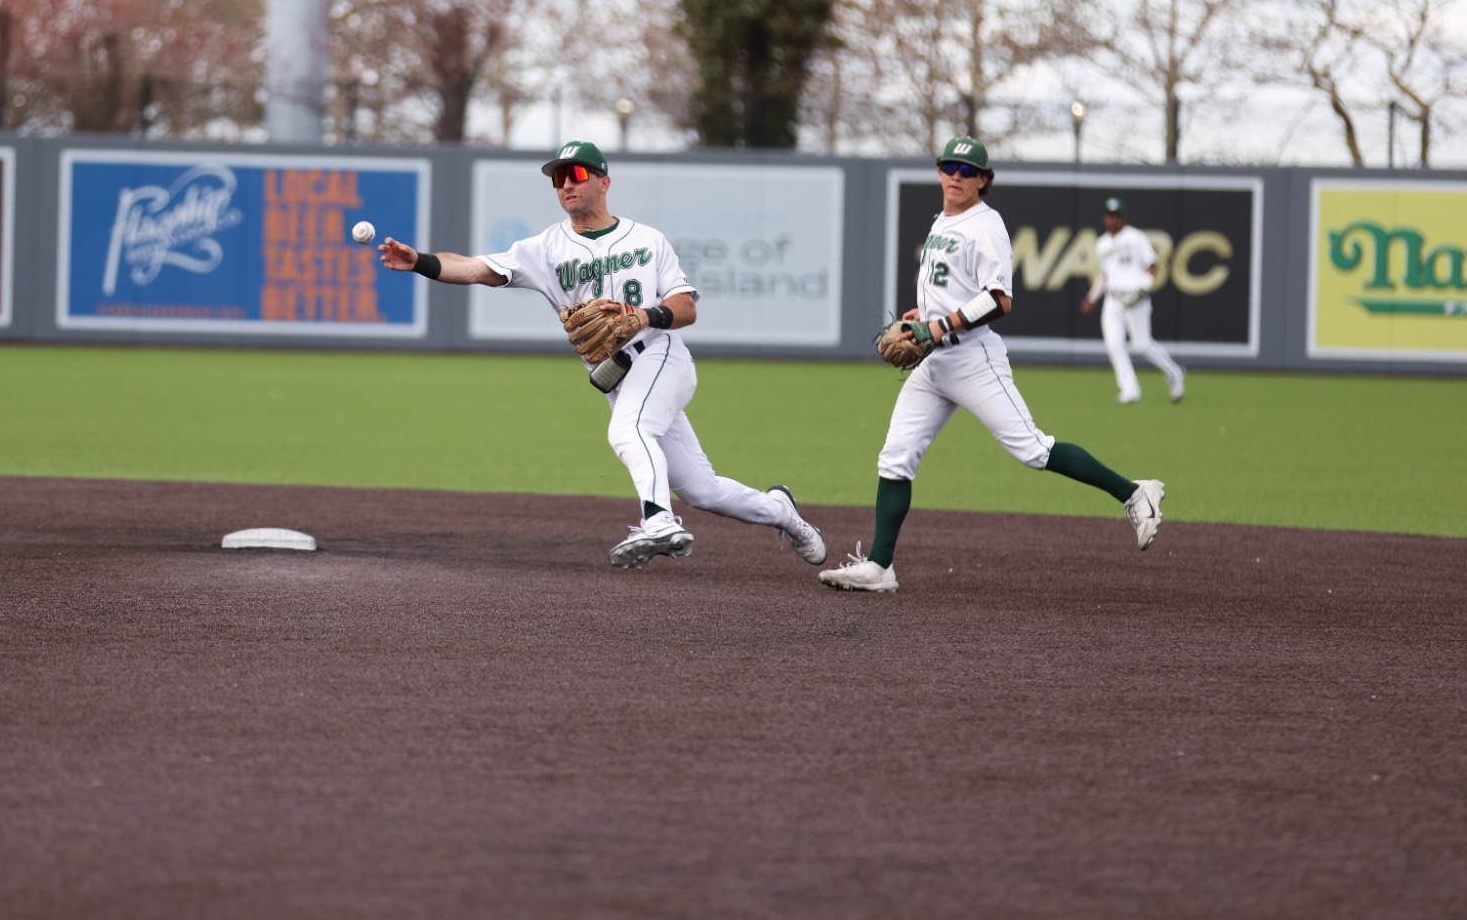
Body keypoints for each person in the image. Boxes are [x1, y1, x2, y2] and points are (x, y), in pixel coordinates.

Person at [376, 141, 829, 571]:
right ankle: (783, 513)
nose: (565, 185)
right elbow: (475, 268)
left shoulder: (647, 240)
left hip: (660, 355)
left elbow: (686, 307)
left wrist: (643, 316)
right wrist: (418, 261)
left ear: (604, 181)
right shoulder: (545, 249)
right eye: (557, 179)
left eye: (574, 174)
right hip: (617, 375)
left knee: (629, 430)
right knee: (702, 490)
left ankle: (658, 521)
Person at [819, 138, 1166, 594]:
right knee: (895, 457)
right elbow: (953, 290)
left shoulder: (987, 224)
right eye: (950, 167)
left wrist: (939, 326)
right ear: (939, 172)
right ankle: (881, 566)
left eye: (968, 170)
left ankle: (1136, 493)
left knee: (1033, 449)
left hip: (972, 357)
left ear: (984, 180)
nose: (957, 176)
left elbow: (999, 299)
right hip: (935, 360)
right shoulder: (942, 219)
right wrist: (922, 316)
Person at [1079, 197, 1187, 404]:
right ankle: (1130, 390)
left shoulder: (1135, 238)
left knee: (1142, 345)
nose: (1112, 220)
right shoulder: (1102, 244)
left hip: (1135, 299)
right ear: (1104, 218)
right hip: (1113, 300)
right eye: (1109, 216)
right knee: (1114, 345)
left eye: (1116, 216)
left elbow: (1152, 264)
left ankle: (1174, 372)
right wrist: (1092, 297)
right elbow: (1104, 275)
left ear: (1122, 218)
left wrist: (1144, 287)